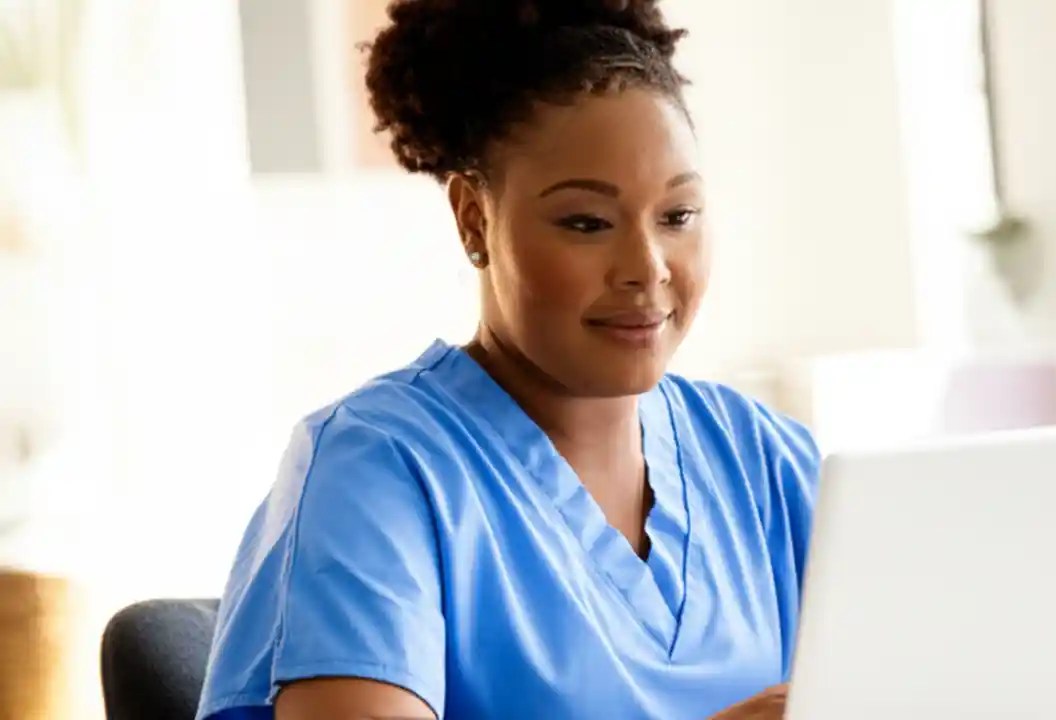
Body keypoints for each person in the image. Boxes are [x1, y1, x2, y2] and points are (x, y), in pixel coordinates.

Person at [197, 1, 818, 718]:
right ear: (473, 218)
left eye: (677, 217)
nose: (647, 268)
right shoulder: (376, 470)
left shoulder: (767, 461)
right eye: (586, 223)